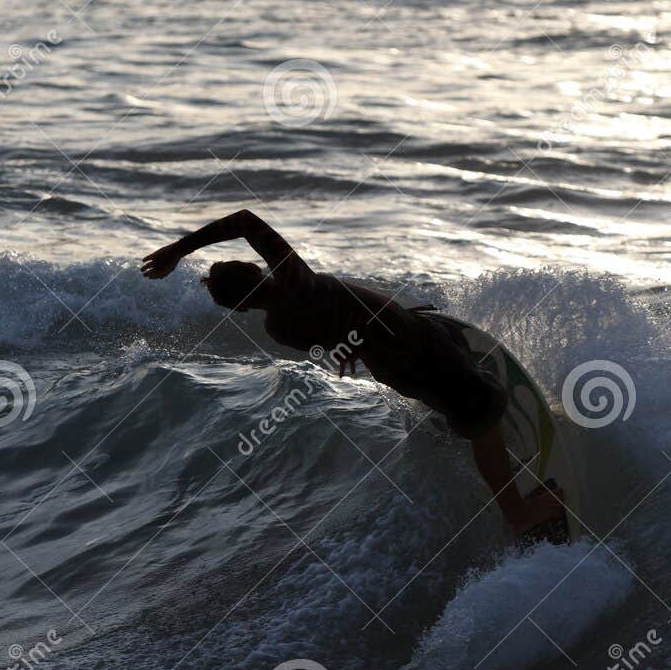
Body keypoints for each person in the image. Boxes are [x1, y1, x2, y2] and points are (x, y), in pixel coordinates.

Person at [141, 209, 564, 538]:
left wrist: (356, 340)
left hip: (396, 367)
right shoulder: (296, 282)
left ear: (239, 308)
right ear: (258, 270)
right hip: (417, 350)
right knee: (481, 417)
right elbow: (245, 221)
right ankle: (517, 512)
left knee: (454, 384)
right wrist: (180, 249)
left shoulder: (278, 327)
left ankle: (470, 425)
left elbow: (335, 333)